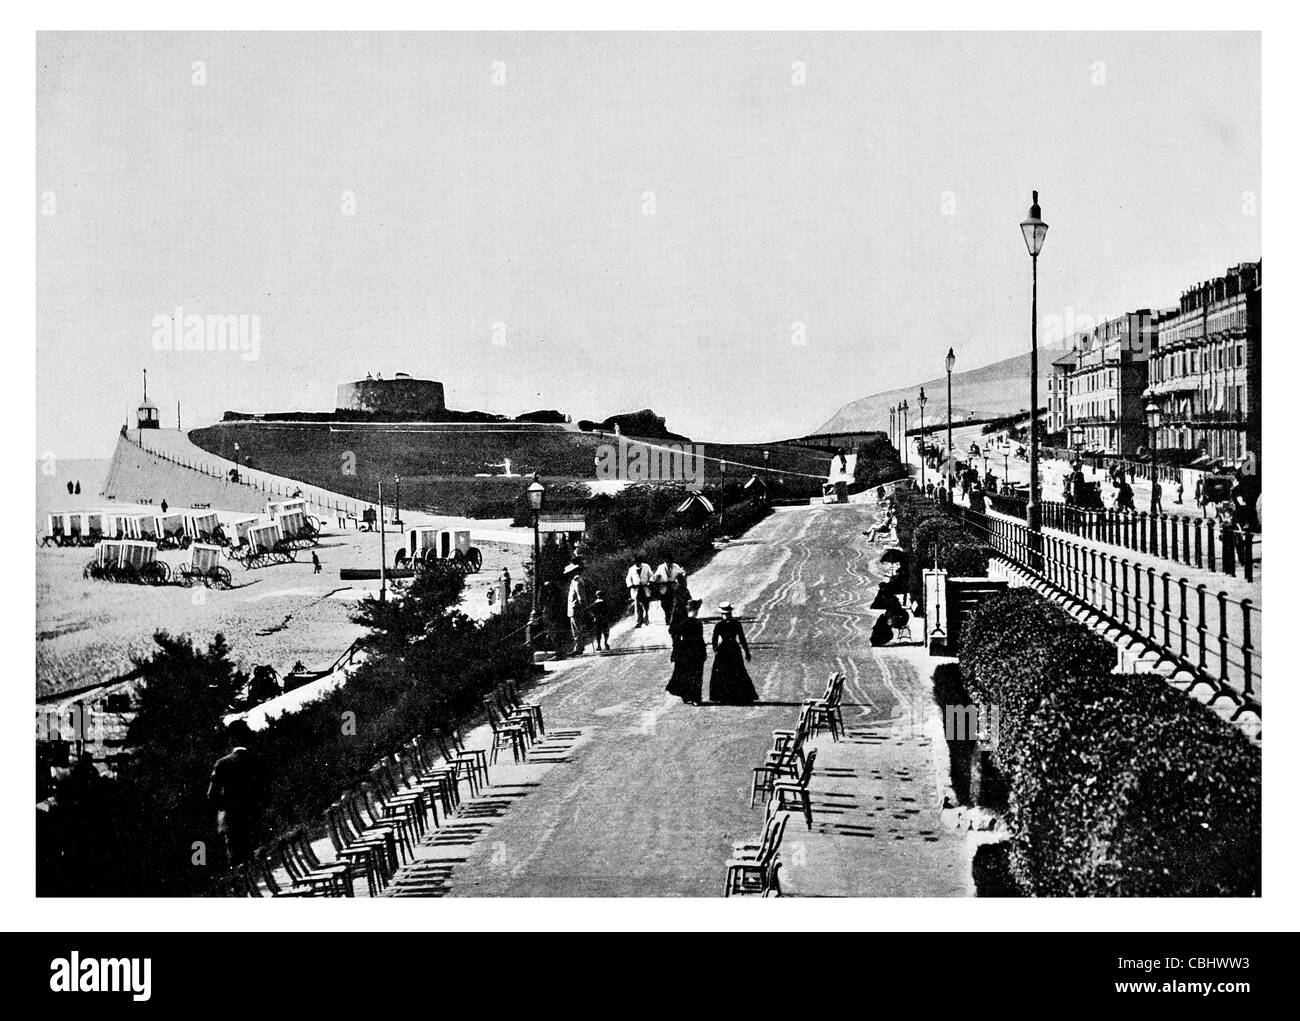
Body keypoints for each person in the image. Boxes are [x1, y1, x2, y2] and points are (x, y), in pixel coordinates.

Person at [207, 742, 260, 868]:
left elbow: (211, 794)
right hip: (254, 817)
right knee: (256, 858)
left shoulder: (222, 763)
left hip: (232, 819)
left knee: (237, 861)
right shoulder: (256, 760)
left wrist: (227, 807)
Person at [709, 602, 758, 704]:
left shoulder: (719, 625)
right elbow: (742, 639)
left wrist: (716, 650)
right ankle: (740, 695)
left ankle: (725, 696)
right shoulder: (736, 623)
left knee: (723, 673)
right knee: (738, 671)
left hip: (723, 650)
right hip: (734, 649)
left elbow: (714, 640)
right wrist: (746, 651)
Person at [666, 599, 707, 704]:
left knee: (686, 674)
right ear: (695, 610)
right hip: (696, 651)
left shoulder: (683, 622)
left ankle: (686, 695)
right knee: (696, 675)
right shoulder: (698, 623)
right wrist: (704, 652)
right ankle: (696, 699)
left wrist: (676, 651)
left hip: (684, 651)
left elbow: (677, 638)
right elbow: (700, 639)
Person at [565, 564, 588, 655]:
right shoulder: (574, 582)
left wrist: (583, 608)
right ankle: (579, 647)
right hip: (573, 609)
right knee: (576, 629)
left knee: (577, 629)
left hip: (576, 609)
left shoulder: (577, 582)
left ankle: (578, 648)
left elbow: (581, 597)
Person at [652, 558, 683, 623]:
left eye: (670, 563)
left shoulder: (676, 566)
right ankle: (667, 614)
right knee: (664, 603)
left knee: (672, 602)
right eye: (667, 563)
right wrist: (657, 577)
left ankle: (671, 617)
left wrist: (680, 576)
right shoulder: (661, 567)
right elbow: (655, 576)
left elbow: (681, 574)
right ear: (665, 562)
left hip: (673, 585)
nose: (669, 564)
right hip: (664, 586)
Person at [625, 555, 652, 627]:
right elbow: (628, 578)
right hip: (636, 589)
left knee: (646, 605)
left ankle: (646, 617)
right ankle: (639, 621)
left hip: (645, 587)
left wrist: (650, 582)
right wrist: (630, 585)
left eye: (639, 562)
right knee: (637, 605)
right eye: (636, 562)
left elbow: (651, 575)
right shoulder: (631, 569)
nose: (638, 563)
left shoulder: (646, 566)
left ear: (641, 561)